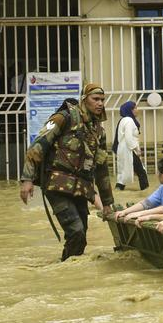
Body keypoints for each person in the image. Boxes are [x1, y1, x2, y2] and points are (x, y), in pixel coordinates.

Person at [18, 83, 109, 261]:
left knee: (81, 237)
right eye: (95, 99)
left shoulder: (99, 131)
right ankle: (66, 267)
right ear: (84, 99)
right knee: (76, 231)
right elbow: (37, 146)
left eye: (102, 100)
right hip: (57, 184)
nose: (100, 103)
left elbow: (102, 169)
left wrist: (107, 203)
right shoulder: (63, 117)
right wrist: (27, 180)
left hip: (81, 188)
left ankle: (66, 267)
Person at [113, 100, 144, 191]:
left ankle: (119, 186)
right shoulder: (129, 121)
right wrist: (136, 149)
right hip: (129, 149)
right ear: (130, 110)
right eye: (135, 108)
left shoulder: (123, 120)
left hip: (124, 148)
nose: (137, 110)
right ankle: (145, 188)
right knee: (141, 170)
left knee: (123, 169)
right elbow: (129, 137)